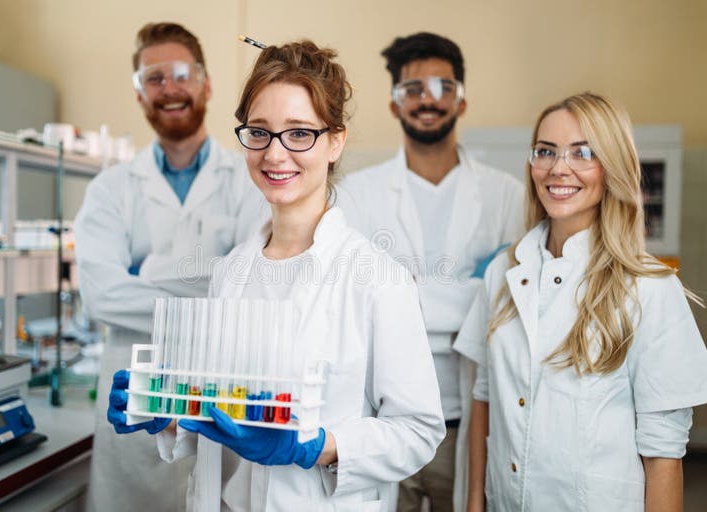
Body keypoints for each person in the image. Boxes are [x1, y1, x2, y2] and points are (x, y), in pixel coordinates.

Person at [107, 39, 446, 510]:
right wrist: (162, 411)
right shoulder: (232, 273)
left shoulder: (376, 277)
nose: (275, 153)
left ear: (335, 142)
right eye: (259, 132)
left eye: (299, 133)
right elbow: (221, 412)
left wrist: (318, 446)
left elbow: (418, 430)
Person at [455, 92, 707, 511]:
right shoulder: (503, 272)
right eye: (546, 151)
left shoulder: (650, 288)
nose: (559, 168)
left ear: (612, 168)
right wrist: (474, 505)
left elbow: (664, 457)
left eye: (582, 152)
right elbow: (485, 401)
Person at [74, 22, 263, 511]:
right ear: (139, 95)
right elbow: (100, 296)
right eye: (153, 78)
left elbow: (254, 292)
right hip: (133, 415)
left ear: (206, 84)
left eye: (181, 74)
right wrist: (213, 281)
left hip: (220, 406)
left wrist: (146, 270)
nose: (169, 89)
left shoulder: (248, 182)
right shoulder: (110, 190)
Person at [336, 32, 524, 511]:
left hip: (467, 418)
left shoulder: (507, 196)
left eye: (442, 87)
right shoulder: (357, 194)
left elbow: (510, 305)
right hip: (379, 419)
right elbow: (353, 303)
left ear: (461, 100)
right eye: (412, 89)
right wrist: (470, 297)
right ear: (395, 104)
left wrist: (404, 296)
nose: (427, 100)